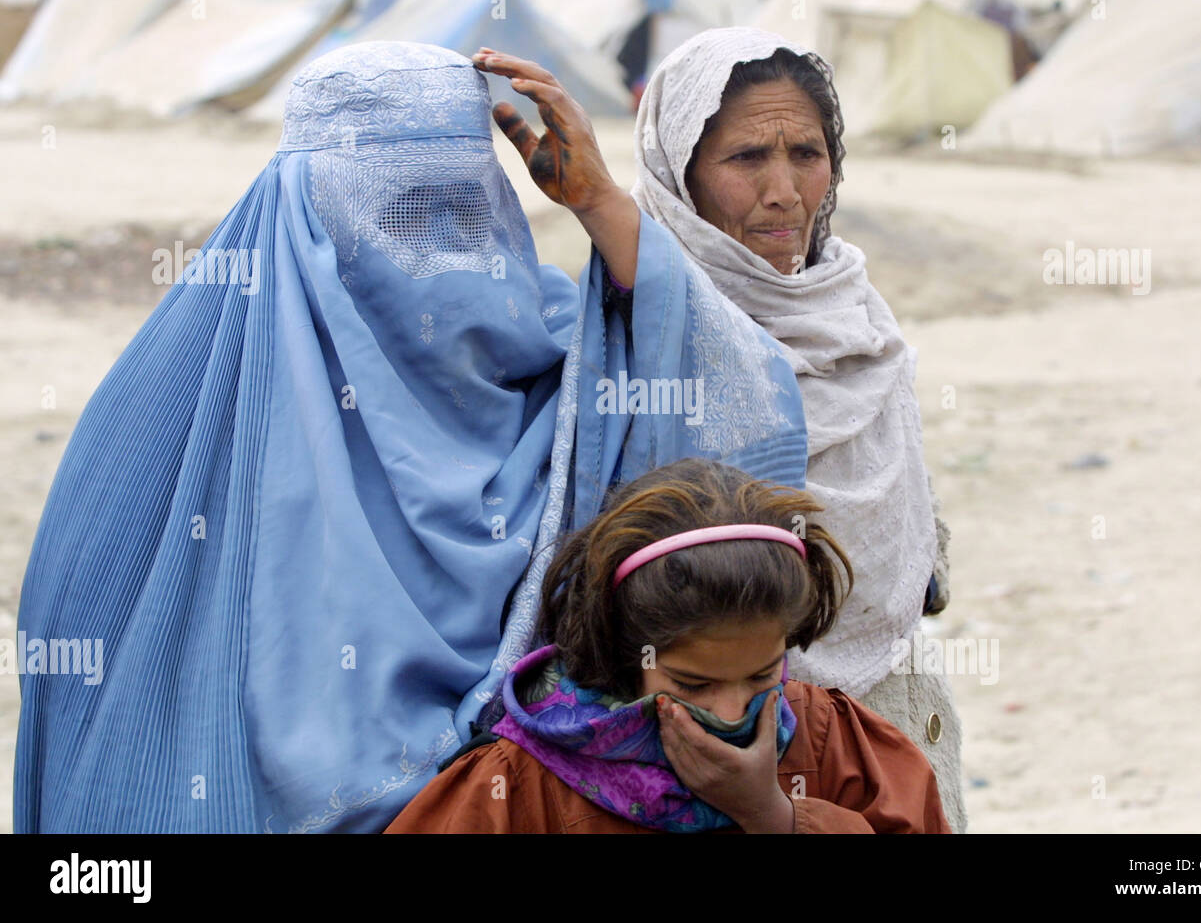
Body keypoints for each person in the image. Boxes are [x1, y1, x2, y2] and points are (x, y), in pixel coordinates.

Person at [12, 41, 808, 833]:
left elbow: (740, 404)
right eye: (398, 216)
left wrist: (598, 203)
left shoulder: (552, 362)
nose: (439, 255)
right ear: (303, 215)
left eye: (465, 213)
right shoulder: (170, 412)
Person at [628, 27, 967, 831]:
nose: (784, 191)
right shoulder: (645, 338)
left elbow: (919, 543)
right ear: (680, 177)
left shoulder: (851, 306)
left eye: (806, 154)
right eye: (747, 159)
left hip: (902, 718)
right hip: (739, 749)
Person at [386, 458, 951, 833]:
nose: (734, 713)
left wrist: (773, 816)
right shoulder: (518, 787)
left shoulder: (824, 742)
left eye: (761, 675)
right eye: (692, 684)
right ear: (623, 657)